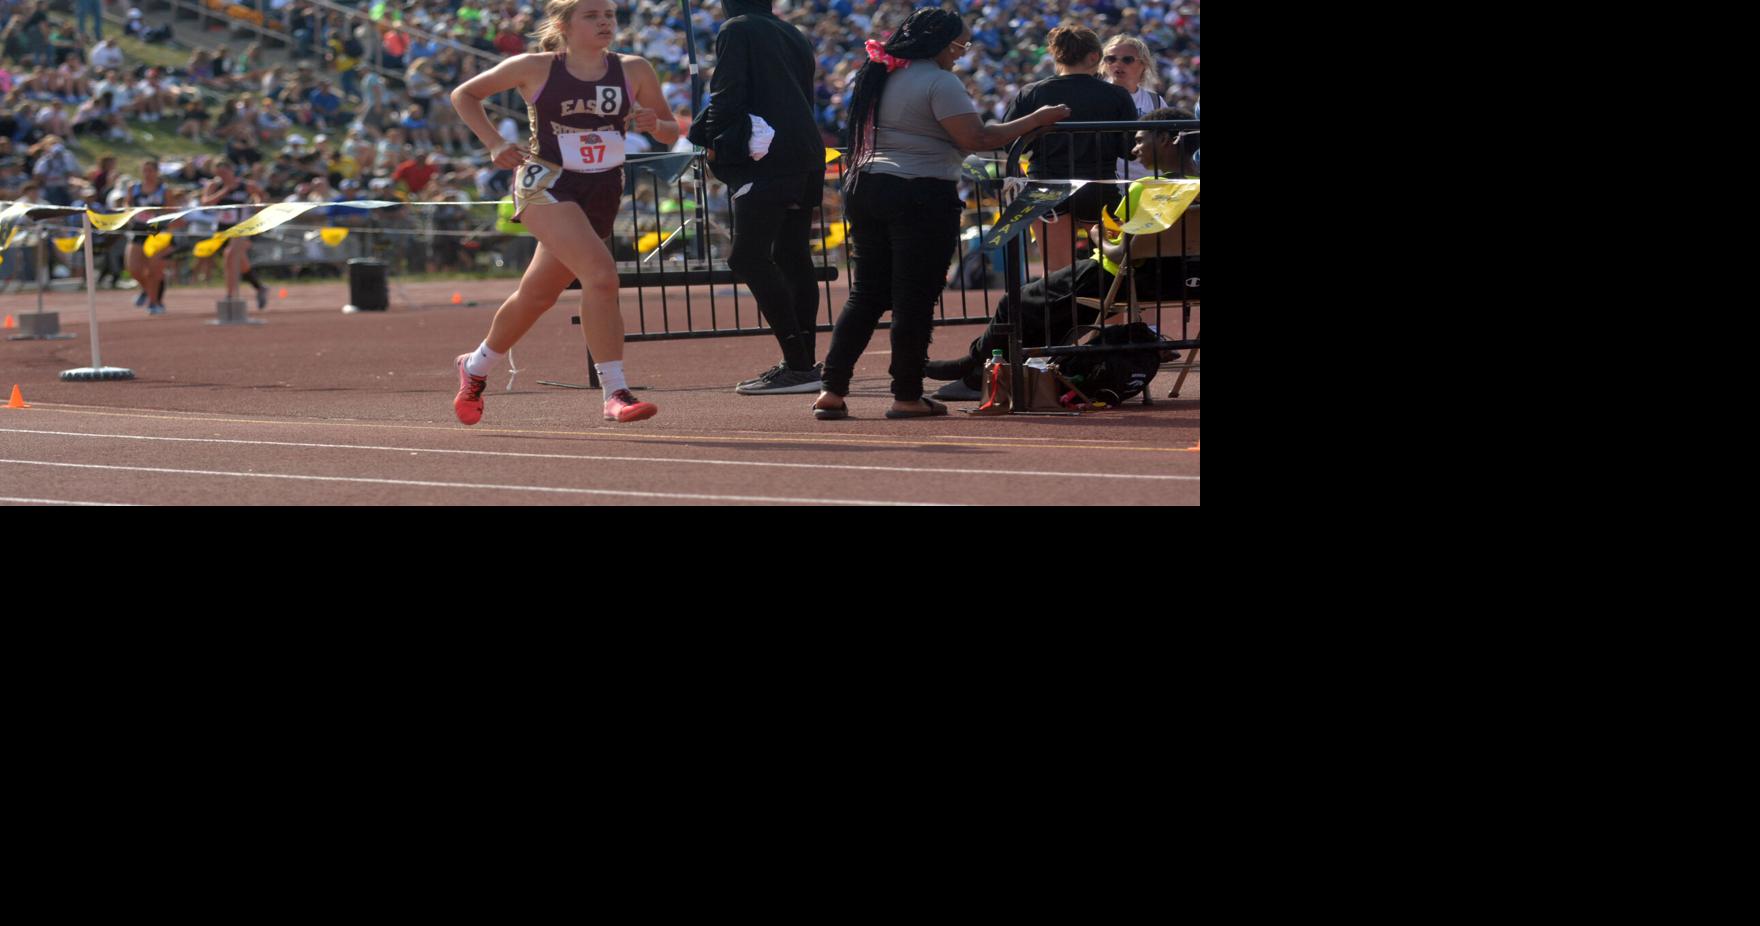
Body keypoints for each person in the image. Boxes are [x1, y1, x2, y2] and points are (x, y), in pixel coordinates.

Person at [810, 6, 1067, 420]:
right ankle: (907, 395)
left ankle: (832, 390)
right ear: (941, 43)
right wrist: (1036, 119)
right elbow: (978, 137)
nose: (963, 53)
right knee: (914, 299)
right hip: (921, 191)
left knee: (867, 294)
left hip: (866, 185)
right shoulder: (938, 81)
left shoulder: (879, 73)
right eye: (960, 45)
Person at [448, 0, 679, 425]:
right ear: (563, 24)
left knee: (538, 294)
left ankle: (475, 367)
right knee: (601, 275)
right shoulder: (534, 67)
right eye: (592, 15)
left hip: (603, 187)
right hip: (547, 184)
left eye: (609, 14)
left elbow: (669, 129)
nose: (605, 22)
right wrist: (495, 143)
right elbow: (465, 94)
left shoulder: (634, 69)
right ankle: (616, 392)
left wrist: (653, 125)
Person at [925, 108, 1199, 399]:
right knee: (1056, 312)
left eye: (1140, 141)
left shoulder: (1148, 189)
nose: (1134, 149)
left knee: (1016, 301)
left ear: (1168, 140)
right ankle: (991, 374)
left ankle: (977, 368)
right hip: (1183, 284)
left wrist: (1097, 236)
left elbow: (1122, 254)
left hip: (1122, 279)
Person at [687, 0, 827, 396]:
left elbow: (727, 93)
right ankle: (802, 363)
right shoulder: (792, 32)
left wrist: (713, 141)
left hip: (768, 155)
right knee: (791, 254)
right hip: (806, 152)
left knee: (747, 257)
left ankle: (799, 364)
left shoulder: (737, 29)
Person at [1004, 24, 1136, 274]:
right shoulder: (1116, 95)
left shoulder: (1033, 92)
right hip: (1099, 185)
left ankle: (1060, 313)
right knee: (1113, 269)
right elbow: (1128, 148)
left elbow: (1008, 141)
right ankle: (1112, 315)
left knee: (1056, 272)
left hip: (1046, 184)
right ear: (1094, 57)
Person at [201, 160, 270, 309]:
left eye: (225, 173)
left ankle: (230, 296)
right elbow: (205, 203)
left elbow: (261, 196)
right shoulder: (214, 185)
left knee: (230, 255)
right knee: (240, 261)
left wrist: (257, 210)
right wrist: (224, 191)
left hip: (241, 228)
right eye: (219, 174)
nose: (222, 177)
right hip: (222, 230)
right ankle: (259, 287)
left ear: (232, 171)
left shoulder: (246, 185)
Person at [1101, 35, 1169, 179]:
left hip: (1151, 179)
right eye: (1111, 59)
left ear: (1143, 64)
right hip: (1111, 182)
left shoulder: (1155, 100)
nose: (1117, 64)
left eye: (1127, 59)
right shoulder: (1096, 97)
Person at [125, 159, 173, 315]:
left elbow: (171, 210)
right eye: (145, 171)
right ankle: (147, 291)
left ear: (157, 172)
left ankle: (155, 302)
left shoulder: (164, 190)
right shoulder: (134, 188)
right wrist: (131, 213)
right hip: (138, 229)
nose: (147, 174)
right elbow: (127, 206)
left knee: (154, 270)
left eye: (150, 171)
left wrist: (156, 215)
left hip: (156, 229)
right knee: (134, 268)